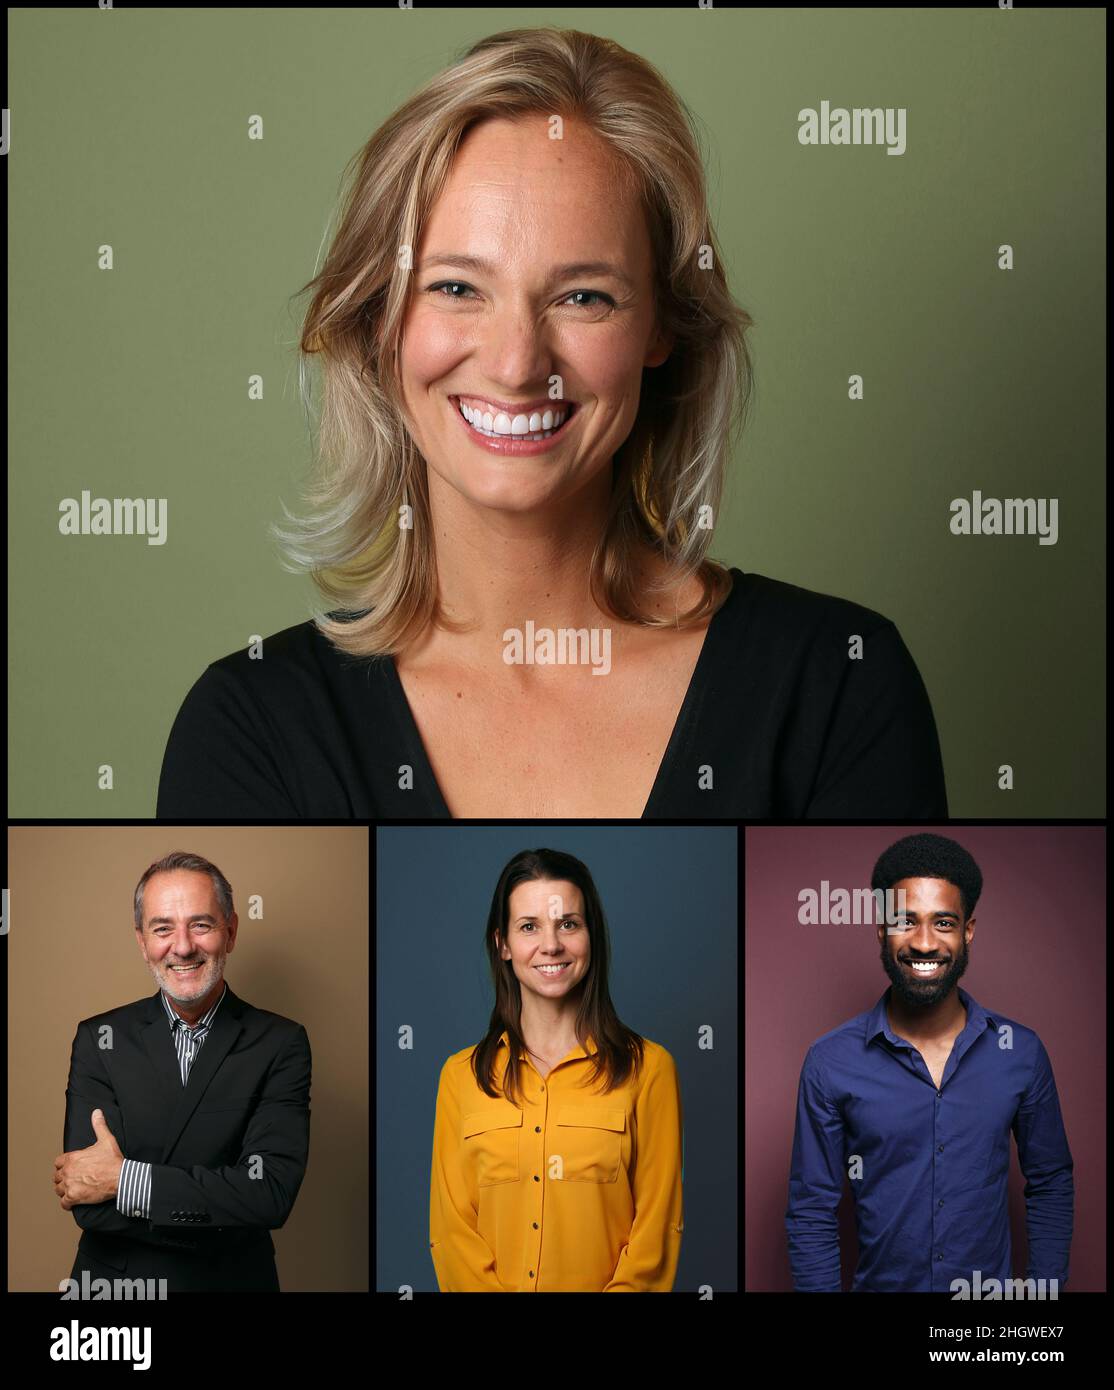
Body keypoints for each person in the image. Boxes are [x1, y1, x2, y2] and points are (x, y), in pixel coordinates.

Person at [156, 28, 946, 820]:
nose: (516, 364)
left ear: (661, 330)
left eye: (582, 297)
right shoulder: (249, 728)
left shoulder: (838, 682)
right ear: (379, 323)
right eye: (457, 288)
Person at [785, 833, 1073, 1293]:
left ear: (968, 931)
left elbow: (1051, 1180)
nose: (923, 943)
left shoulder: (1020, 1052)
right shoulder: (829, 1063)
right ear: (881, 929)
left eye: (943, 922)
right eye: (905, 921)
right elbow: (811, 1209)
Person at [55, 852, 311, 1293]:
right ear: (142, 941)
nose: (183, 946)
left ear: (230, 931)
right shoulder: (99, 1038)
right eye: (162, 928)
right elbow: (87, 1203)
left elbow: (269, 1195)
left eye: (201, 924)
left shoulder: (281, 1044)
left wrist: (125, 1180)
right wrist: (217, 1208)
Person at [429, 847, 683, 1291]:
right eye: (529, 926)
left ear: (591, 936)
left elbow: (657, 1230)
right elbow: (451, 1234)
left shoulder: (650, 1069)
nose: (551, 944)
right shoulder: (460, 1076)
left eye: (568, 923)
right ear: (503, 944)